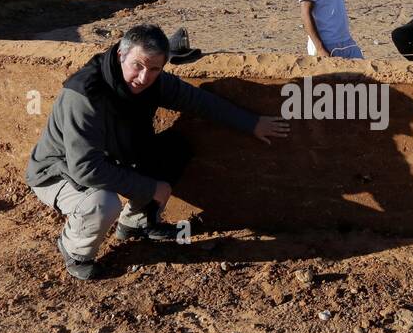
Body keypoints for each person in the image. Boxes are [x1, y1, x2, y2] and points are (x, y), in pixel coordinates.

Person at [25, 24, 289, 280]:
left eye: (154, 69)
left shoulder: (154, 82)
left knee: (174, 148)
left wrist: (251, 123)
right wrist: (150, 189)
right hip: (60, 171)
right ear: (121, 55)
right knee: (103, 203)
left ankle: (136, 223)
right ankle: (75, 251)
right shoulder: (85, 95)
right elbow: (85, 168)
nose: (143, 78)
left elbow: (199, 101)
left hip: (109, 157)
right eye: (137, 66)